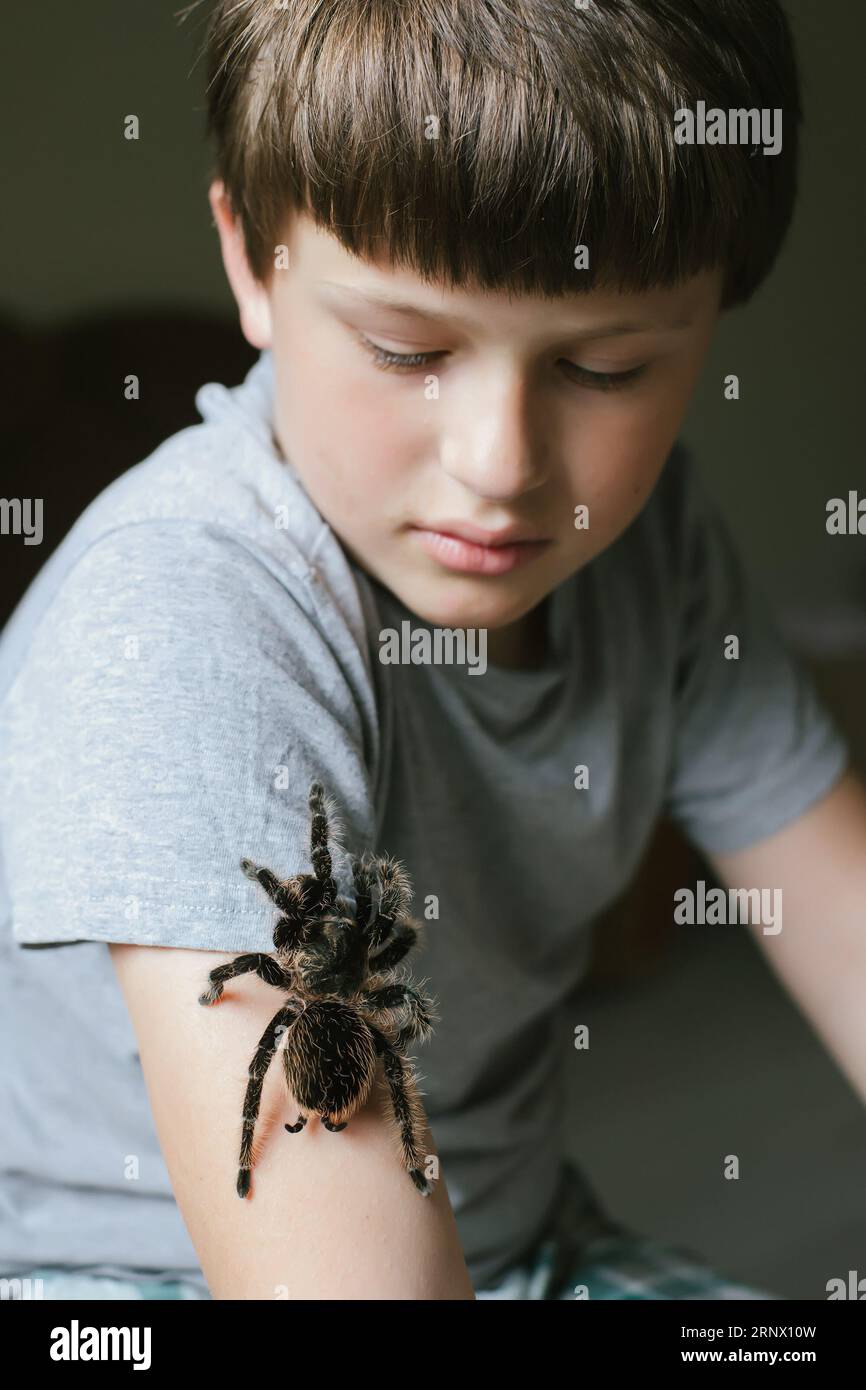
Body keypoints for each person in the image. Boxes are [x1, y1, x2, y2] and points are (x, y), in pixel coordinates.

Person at [1, 0, 864, 1301]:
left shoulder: (653, 556)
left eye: (607, 367)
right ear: (250, 258)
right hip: (125, 1279)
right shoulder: (182, 626)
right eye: (407, 350)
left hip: (509, 1240)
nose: (499, 467)